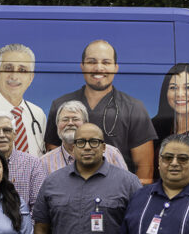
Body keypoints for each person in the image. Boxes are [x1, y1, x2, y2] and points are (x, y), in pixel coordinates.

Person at [31, 123, 140, 234]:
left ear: (104, 147)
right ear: (73, 148)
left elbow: (137, 233)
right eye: (81, 142)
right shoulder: (52, 182)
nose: (87, 147)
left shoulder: (128, 182)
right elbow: (41, 228)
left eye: (94, 142)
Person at [43, 39, 155, 182]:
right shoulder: (61, 106)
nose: (98, 68)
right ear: (82, 66)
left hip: (115, 194)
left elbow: (145, 170)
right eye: (92, 62)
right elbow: (53, 159)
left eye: (106, 62)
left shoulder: (134, 108)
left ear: (116, 67)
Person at [40, 100, 128, 176]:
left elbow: (126, 187)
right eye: (65, 119)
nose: (70, 123)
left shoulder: (111, 154)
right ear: (57, 125)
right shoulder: (44, 162)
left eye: (75, 119)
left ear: (86, 123)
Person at [0, 113, 47, 210]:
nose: (1, 135)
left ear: (14, 135)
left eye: (7, 130)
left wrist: (25, 225)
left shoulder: (32, 164)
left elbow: (38, 207)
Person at [151, 63, 189, 140]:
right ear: (165, 92)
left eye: (188, 87)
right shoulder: (153, 128)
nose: (180, 94)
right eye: (173, 87)